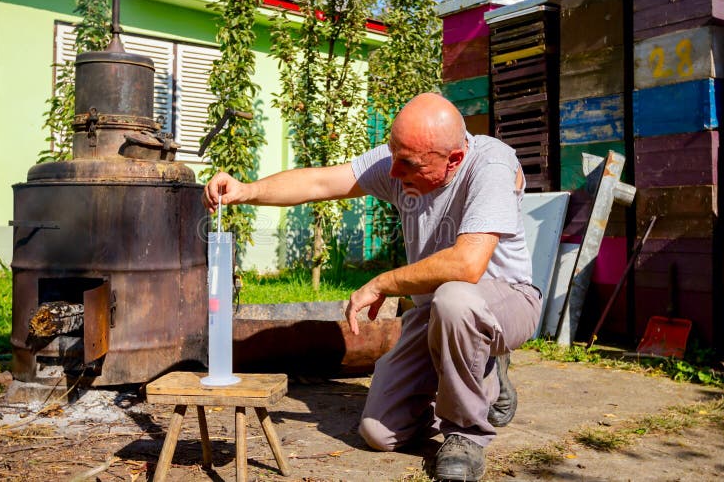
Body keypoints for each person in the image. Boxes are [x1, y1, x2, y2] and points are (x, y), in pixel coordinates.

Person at [202, 92, 541, 481]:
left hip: (505, 298)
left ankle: (466, 433)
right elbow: (318, 181)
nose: (393, 173)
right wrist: (247, 191)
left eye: (407, 163)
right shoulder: (399, 160)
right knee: (380, 432)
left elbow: (467, 264)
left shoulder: (491, 164)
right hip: (439, 311)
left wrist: (384, 282)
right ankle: (479, 377)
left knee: (455, 299)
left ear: (454, 159)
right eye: (393, 155)